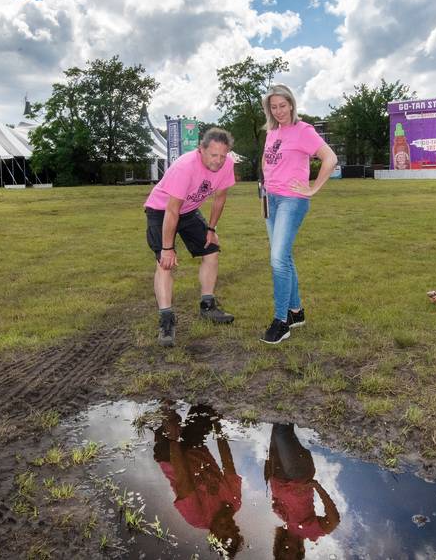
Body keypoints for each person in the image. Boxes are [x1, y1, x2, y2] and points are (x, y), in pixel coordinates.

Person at [259, 85, 338, 344]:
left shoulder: (304, 130)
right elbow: (267, 160)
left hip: (292, 200)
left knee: (278, 260)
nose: (279, 111)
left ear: (291, 104)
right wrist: (265, 185)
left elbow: (330, 158)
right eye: (274, 107)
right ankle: (296, 312)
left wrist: (313, 187)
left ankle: (281, 322)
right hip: (271, 199)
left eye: (283, 105)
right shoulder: (272, 131)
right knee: (284, 257)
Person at [144, 127, 237, 347]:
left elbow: (219, 198)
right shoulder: (185, 167)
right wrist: (167, 248)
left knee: (211, 251)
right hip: (161, 210)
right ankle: (166, 320)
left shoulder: (227, 164)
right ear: (201, 150)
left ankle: (208, 307)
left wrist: (211, 230)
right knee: (164, 264)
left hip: (189, 211)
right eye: (214, 155)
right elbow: (172, 210)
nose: (218, 161)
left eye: (223, 155)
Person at [153, 402, 245, 557]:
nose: (229, 524)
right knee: (207, 407)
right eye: (233, 528)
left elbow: (182, 479)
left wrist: (173, 439)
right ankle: (176, 426)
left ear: (213, 535)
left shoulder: (197, 518)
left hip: (170, 457)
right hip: (195, 447)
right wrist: (217, 426)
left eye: (225, 531)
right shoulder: (235, 502)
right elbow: (227, 461)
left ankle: (162, 425)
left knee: (168, 416)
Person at [265, 423, 340, 559]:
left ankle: (286, 403)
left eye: (282, 552)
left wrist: (269, 471)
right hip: (297, 474)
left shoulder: (284, 519)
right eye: (290, 553)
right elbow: (334, 521)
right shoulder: (310, 532)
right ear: (300, 552)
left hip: (278, 475)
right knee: (282, 432)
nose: (285, 548)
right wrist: (317, 487)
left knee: (278, 426)